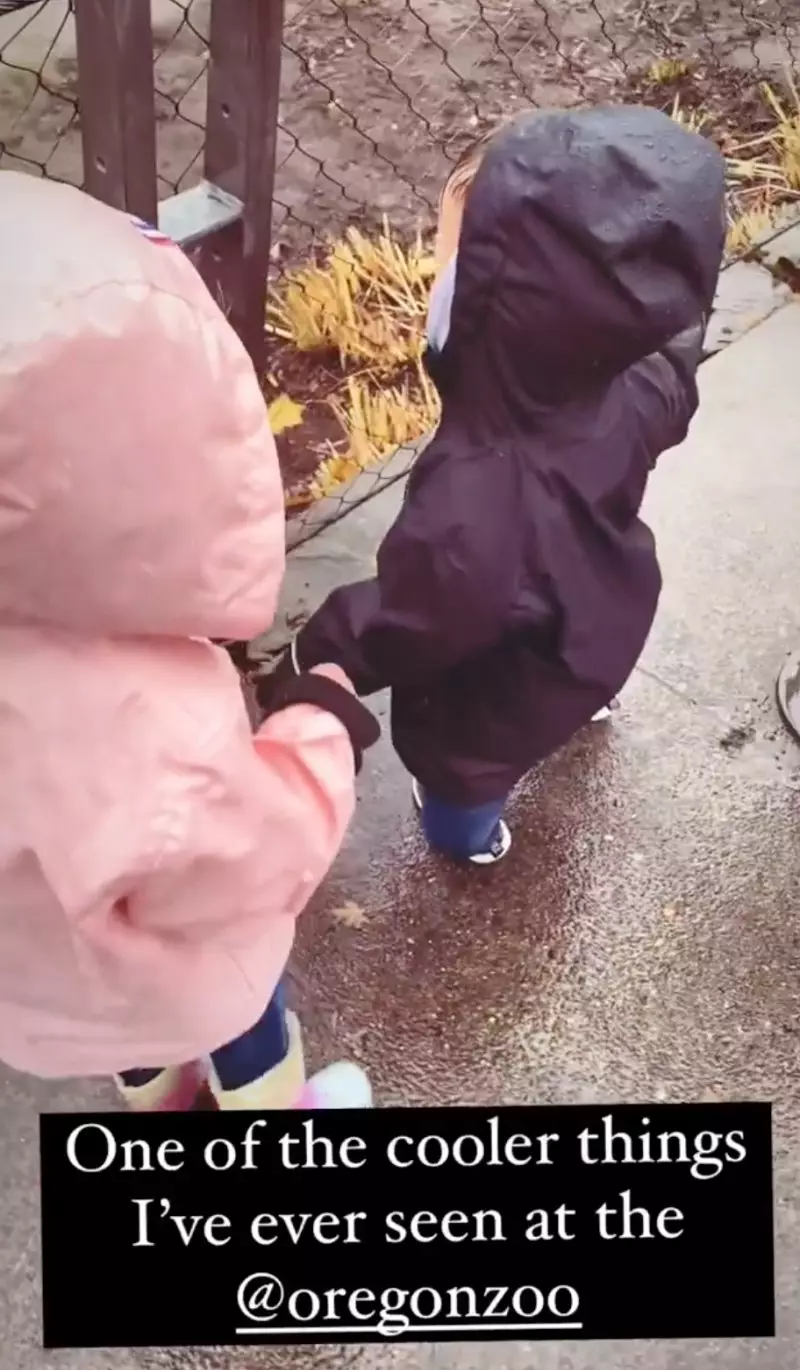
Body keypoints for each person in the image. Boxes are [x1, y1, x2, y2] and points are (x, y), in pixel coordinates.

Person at [0, 173, 379, 1112]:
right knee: (236, 1019)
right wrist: (320, 727)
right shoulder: (134, 714)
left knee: (122, 1036)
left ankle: (160, 1101)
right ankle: (275, 1125)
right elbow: (244, 860)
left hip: (39, 989)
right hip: (166, 968)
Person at [272, 106, 726, 865]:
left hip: (495, 693)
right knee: (571, 674)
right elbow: (673, 372)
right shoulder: (627, 386)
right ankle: (587, 707)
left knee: (464, 774)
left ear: (495, 310)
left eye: (459, 267)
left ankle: (468, 837)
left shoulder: (477, 490)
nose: (439, 280)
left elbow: (421, 615)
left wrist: (321, 653)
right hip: (600, 622)